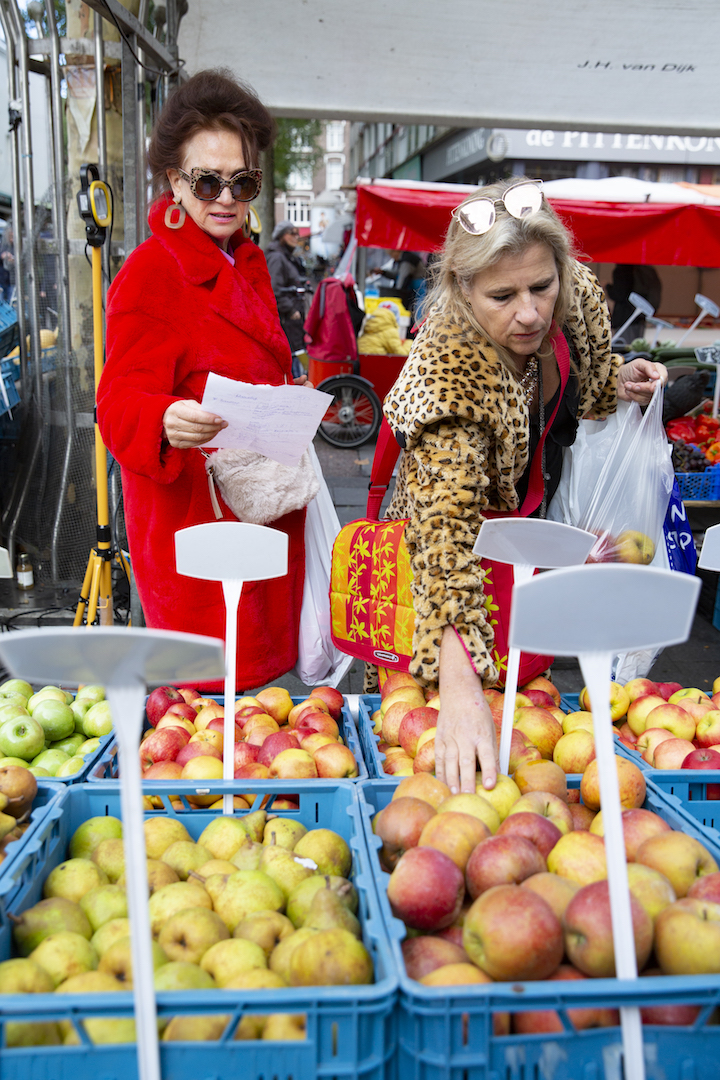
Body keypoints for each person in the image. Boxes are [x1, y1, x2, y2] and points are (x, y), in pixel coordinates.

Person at [380, 178, 667, 796]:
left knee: (526, 683)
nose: (530, 312)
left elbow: (584, 378)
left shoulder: (573, 291)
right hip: (443, 551)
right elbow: (445, 539)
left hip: (522, 531)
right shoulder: (447, 376)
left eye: (541, 286)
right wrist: (459, 691)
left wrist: (617, 381)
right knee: (452, 705)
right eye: (502, 296)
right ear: (462, 288)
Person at [97, 69, 312, 690]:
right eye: (207, 181)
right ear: (174, 181)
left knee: (259, 713)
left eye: (242, 182)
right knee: (208, 707)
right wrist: (162, 417)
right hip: (197, 525)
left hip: (260, 509)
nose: (225, 197)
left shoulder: (244, 260)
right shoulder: (151, 274)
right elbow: (116, 404)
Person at [266, 220, 309, 377]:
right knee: (292, 363)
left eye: (297, 233)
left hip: (292, 324)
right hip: (285, 322)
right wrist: (290, 310)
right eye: (292, 233)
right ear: (281, 235)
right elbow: (273, 289)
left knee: (297, 356)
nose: (296, 237)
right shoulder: (277, 258)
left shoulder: (287, 257)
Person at [605, 264, 662, 342]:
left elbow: (619, 294)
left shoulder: (622, 270)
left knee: (624, 346)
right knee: (636, 345)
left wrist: (607, 287)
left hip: (624, 317)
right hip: (640, 317)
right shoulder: (646, 270)